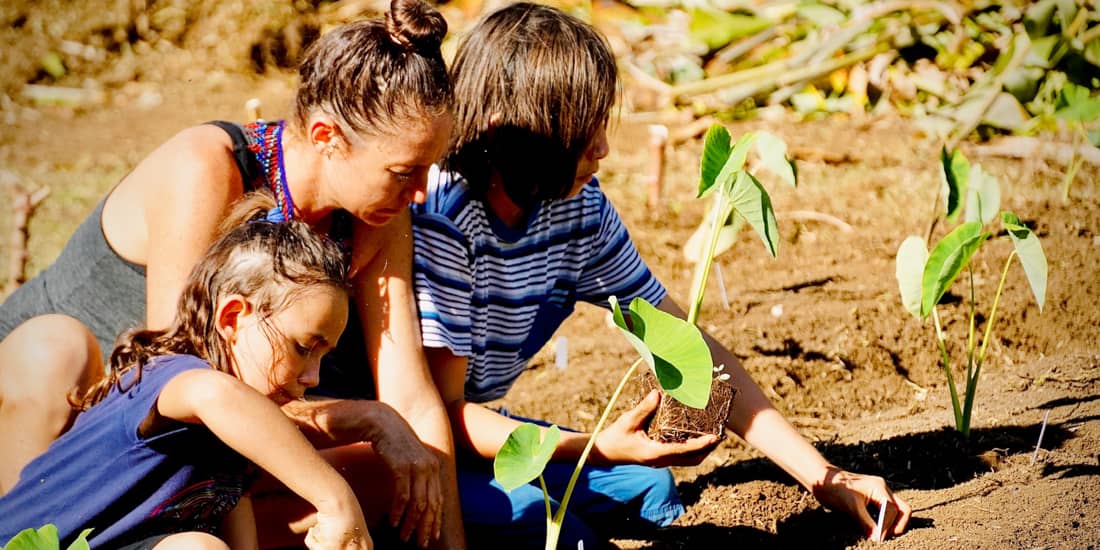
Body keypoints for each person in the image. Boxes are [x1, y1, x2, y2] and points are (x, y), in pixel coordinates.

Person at [410, 3, 913, 548]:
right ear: (515, 135)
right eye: (581, 132)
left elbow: (685, 344)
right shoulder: (445, 215)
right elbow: (443, 416)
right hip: (416, 445)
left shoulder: (579, 208)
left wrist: (822, 476)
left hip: (484, 435)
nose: (602, 149)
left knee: (650, 489)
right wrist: (599, 445)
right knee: (548, 526)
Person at [0, 0, 463, 547]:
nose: (420, 193)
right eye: (404, 171)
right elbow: (197, 377)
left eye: (428, 170)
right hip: (81, 432)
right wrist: (362, 420)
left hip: (190, 470)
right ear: (325, 136)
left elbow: (410, 396)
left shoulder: (380, 209)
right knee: (57, 347)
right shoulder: (208, 168)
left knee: (401, 474)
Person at [0, 213, 370, 550]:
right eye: (304, 347)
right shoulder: (173, 375)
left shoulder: (229, 454)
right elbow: (216, 394)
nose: (313, 377)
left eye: (324, 356)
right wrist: (335, 498)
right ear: (232, 317)